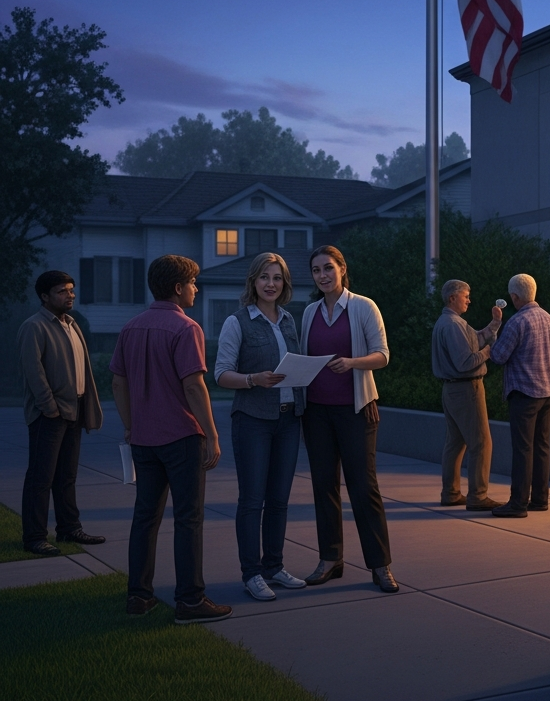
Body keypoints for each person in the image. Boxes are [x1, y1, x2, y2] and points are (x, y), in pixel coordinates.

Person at [110, 255, 231, 623]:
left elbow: (118, 382)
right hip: (181, 437)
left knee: (145, 517)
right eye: (193, 283)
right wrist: (211, 434)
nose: (196, 289)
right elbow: (194, 385)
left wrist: (131, 426)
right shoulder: (186, 328)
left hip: (144, 441)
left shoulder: (131, 327)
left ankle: (138, 597)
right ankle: (191, 601)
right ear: (178, 288)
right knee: (188, 519)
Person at [299, 246, 397, 593]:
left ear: (342, 269)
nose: (322, 275)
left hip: (355, 410)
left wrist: (353, 362)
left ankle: (380, 565)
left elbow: (382, 355)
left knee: (363, 487)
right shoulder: (310, 312)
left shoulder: (362, 306)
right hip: (316, 412)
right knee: (324, 487)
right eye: (315, 271)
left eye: (328, 268)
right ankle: (330, 560)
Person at [214, 252, 307, 601]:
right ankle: (251, 573)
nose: (271, 284)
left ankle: (274, 567)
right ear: (253, 282)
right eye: (265, 277)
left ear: (284, 284)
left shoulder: (288, 321)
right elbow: (221, 374)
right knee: (253, 500)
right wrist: (253, 379)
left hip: (288, 417)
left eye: (277, 278)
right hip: (253, 420)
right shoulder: (237, 322)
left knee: (279, 500)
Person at [18, 270, 105, 556]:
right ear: (45, 297)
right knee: (41, 478)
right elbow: (34, 372)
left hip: (75, 410)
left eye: (71, 290)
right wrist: (50, 408)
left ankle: (69, 529)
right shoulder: (35, 326)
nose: (70, 295)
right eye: (62, 291)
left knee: (66, 476)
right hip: (50, 415)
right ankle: (34, 537)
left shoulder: (72, 324)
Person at [488, 274, 550, 519]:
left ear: (515, 297)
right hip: (548, 391)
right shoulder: (549, 318)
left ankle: (518, 503)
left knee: (523, 449)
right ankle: (540, 499)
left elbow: (498, 356)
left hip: (524, 393)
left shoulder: (517, 322)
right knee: (542, 446)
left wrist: (494, 329)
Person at [432, 279, 503, 510]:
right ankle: (478, 496)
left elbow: (476, 338)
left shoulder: (450, 322)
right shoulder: (453, 325)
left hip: (452, 390)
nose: (469, 300)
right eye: (466, 296)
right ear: (452, 298)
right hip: (466, 389)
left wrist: (495, 323)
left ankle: (451, 493)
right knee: (481, 443)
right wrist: (489, 353)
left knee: (455, 442)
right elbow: (466, 362)